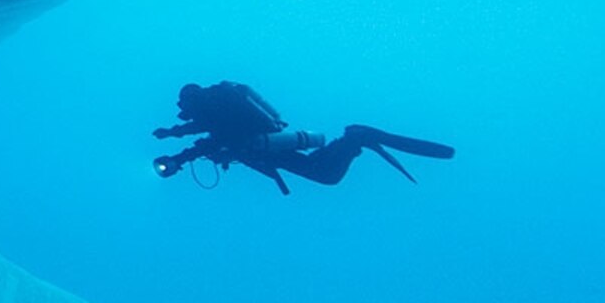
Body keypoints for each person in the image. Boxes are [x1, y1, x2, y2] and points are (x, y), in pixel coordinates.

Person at [150, 81, 454, 194]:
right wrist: (176, 151)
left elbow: (205, 138)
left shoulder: (217, 116)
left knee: (325, 175)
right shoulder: (218, 117)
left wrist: (173, 143)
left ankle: (354, 138)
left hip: (266, 148)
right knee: (322, 173)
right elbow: (206, 139)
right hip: (269, 149)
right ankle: (352, 140)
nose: (185, 112)